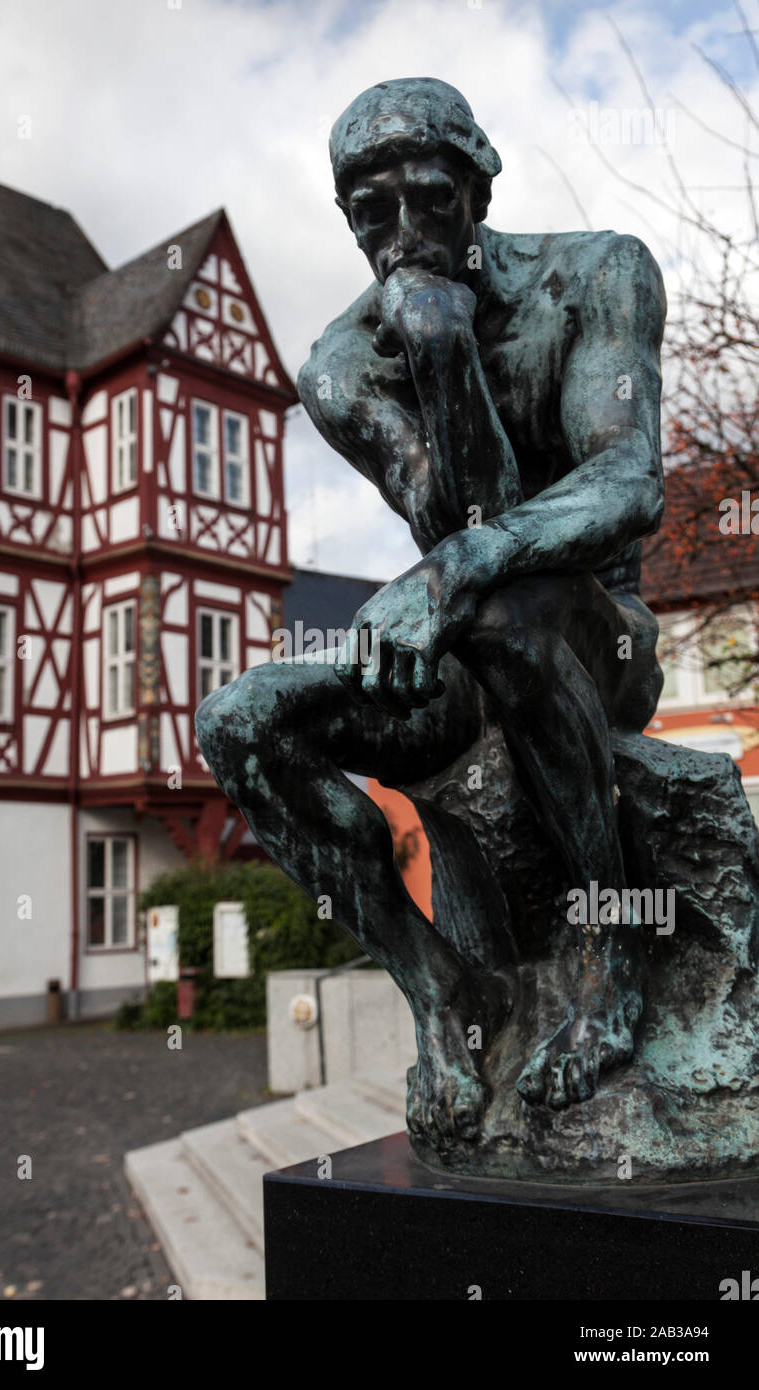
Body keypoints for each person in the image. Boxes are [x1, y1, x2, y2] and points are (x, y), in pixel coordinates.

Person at [195, 77, 666, 1154]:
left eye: (427, 199)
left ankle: (609, 950)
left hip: (604, 634)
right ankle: (444, 992)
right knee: (240, 723)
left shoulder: (598, 273)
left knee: (507, 606)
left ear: (479, 186)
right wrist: (440, 352)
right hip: (461, 639)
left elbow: (627, 482)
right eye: (372, 213)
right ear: (345, 220)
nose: (401, 235)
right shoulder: (340, 365)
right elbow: (452, 509)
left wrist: (449, 575)